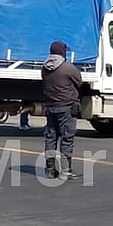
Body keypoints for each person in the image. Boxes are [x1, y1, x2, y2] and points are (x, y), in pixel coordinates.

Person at [42, 40, 82, 180]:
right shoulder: (68, 68)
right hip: (66, 108)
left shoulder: (45, 68)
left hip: (50, 107)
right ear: (62, 52)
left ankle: (50, 169)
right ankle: (66, 171)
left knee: (50, 138)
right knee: (67, 139)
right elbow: (79, 82)